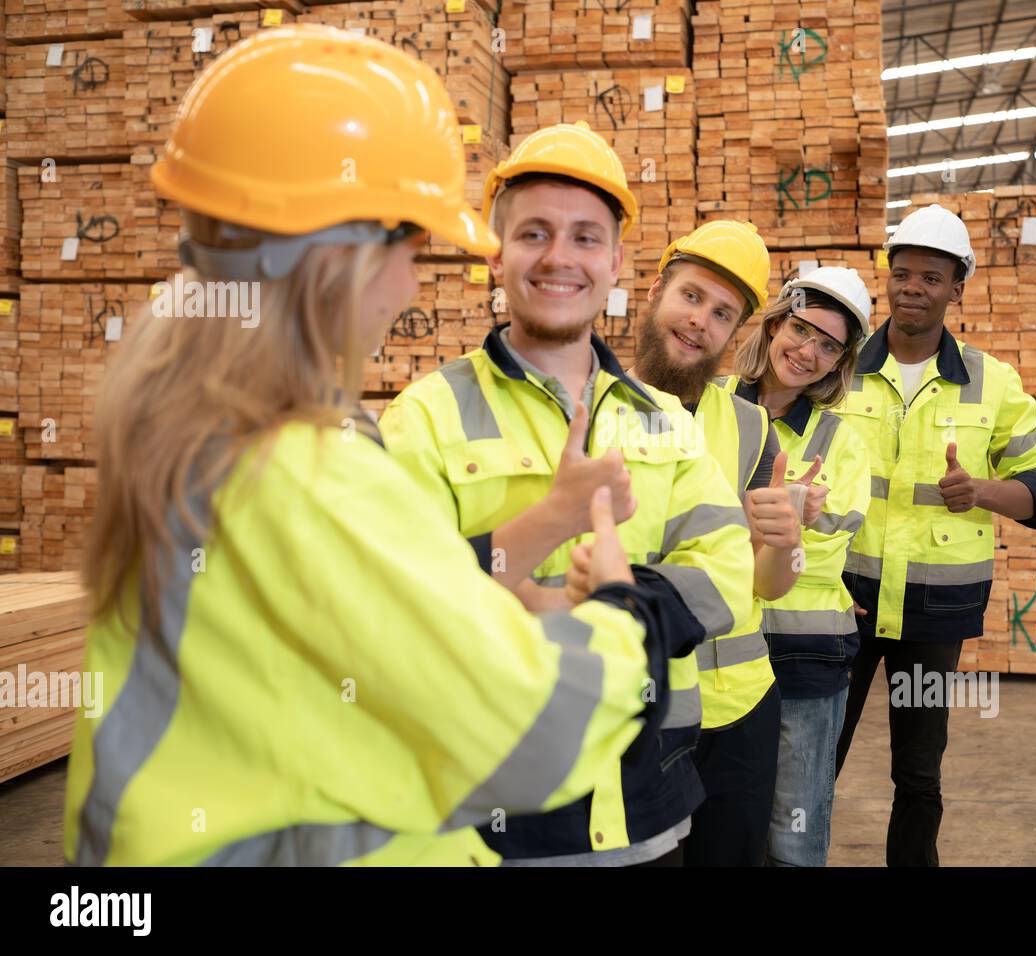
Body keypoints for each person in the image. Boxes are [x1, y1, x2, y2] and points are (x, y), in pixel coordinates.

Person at [63, 26, 674, 867]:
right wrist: (620, 612)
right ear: (343, 259)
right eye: (412, 247)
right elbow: (533, 731)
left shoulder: (182, 431)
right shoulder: (308, 475)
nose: (412, 283)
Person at [379, 123, 754, 866]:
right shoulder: (425, 415)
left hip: (642, 804)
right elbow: (393, 604)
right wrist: (543, 547)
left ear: (616, 262)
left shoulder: (663, 419)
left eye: (585, 238)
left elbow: (729, 573)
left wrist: (617, 603)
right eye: (534, 234)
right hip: (491, 815)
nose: (558, 257)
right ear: (498, 254)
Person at [835, 203, 1036, 866]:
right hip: (840, 604)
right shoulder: (838, 368)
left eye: (931, 277)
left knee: (919, 774)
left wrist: (983, 493)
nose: (913, 287)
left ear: (956, 287)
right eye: (902, 273)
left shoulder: (993, 382)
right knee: (816, 759)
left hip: (934, 615)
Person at [631, 220, 807, 866]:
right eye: (691, 296)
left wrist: (785, 544)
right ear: (655, 292)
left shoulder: (751, 427)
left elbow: (768, 584)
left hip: (738, 710)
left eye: (723, 313)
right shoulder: (591, 410)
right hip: (638, 711)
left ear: (736, 334)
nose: (701, 320)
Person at [720, 266, 874, 866]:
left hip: (802, 660)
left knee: (793, 835)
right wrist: (762, 517)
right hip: (716, 657)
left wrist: (796, 527)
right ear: (776, 324)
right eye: (801, 330)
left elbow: (823, 557)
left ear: (840, 363)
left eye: (829, 346)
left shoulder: (842, 443)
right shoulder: (707, 409)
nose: (807, 352)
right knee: (720, 831)